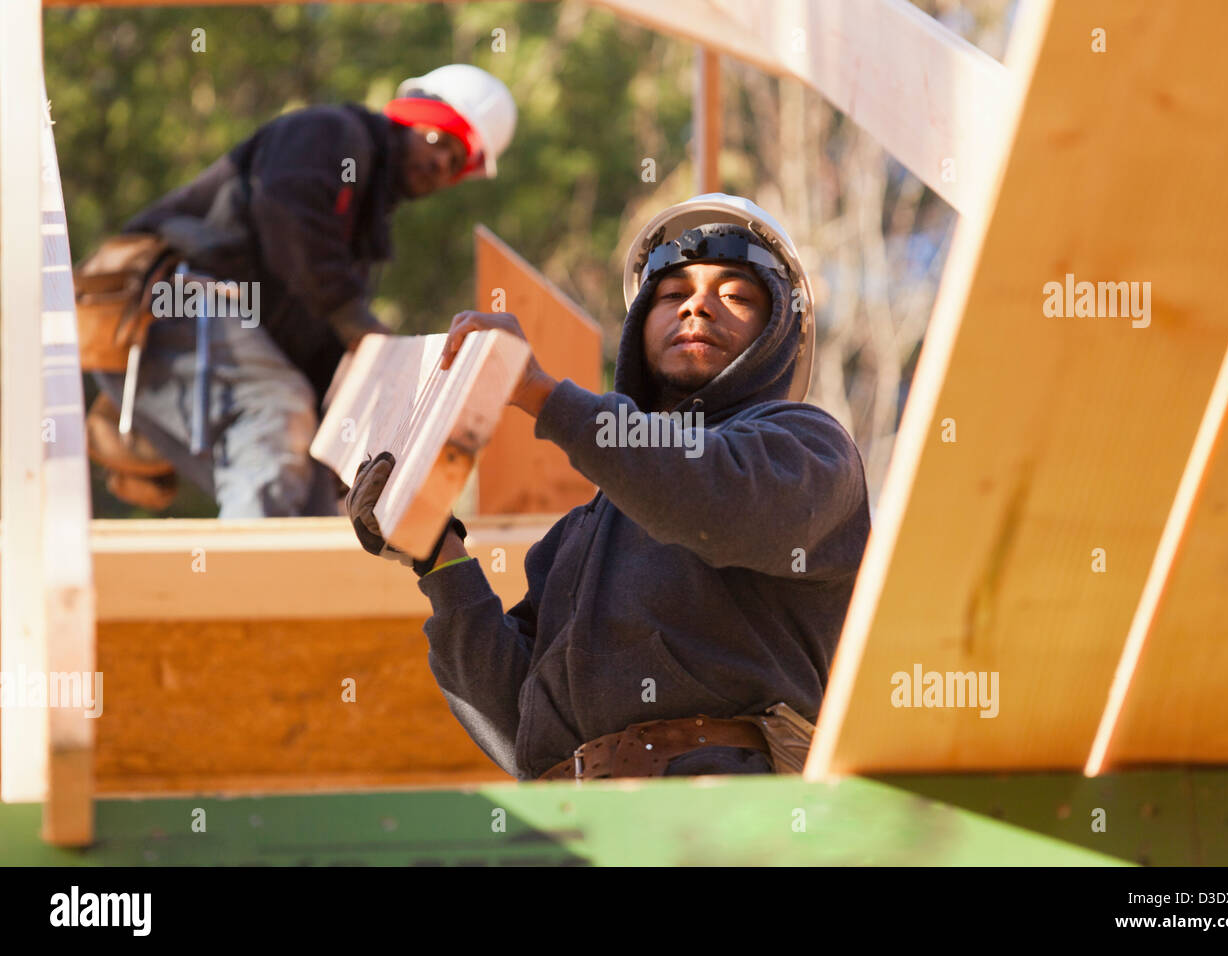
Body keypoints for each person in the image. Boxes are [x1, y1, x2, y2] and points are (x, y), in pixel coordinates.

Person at [348, 193, 870, 780]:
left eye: (736, 295)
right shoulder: (579, 537)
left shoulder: (808, 447)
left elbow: (710, 498)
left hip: (728, 816)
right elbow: (519, 731)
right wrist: (437, 554)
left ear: (779, 330)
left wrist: (539, 393)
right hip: (584, 822)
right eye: (672, 294)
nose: (697, 307)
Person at [89, 64, 517, 518]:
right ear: (408, 115)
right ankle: (249, 584)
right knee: (275, 412)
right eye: (439, 140)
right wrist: (361, 325)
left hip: (219, 318)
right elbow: (288, 220)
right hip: (169, 301)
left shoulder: (364, 223)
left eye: (456, 163)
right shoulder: (331, 134)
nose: (440, 164)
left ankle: (295, 576)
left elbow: (306, 326)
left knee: (318, 485)